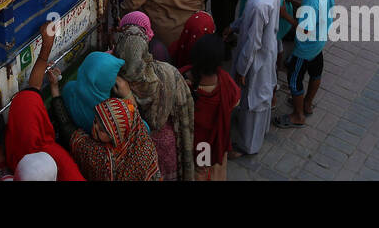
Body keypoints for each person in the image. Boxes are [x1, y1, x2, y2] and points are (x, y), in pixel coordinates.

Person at [0, 22, 85, 180]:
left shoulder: (16, 153)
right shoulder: (52, 158)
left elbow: (2, 172)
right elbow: (33, 89)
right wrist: (47, 46)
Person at [112, 23, 194, 180]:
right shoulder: (167, 72)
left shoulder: (117, 84)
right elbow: (186, 106)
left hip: (143, 152)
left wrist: (128, 96)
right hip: (169, 145)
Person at [229, 0, 289, 152]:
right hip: (265, 50)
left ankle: (249, 146)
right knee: (257, 97)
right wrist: (233, 27)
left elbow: (253, 42)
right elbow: (247, 21)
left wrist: (242, 70)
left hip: (257, 58)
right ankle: (253, 134)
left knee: (254, 101)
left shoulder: (260, 4)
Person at [50, 75, 160, 181]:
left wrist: (54, 88)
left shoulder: (101, 158)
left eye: (103, 130)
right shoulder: (141, 138)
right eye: (96, 119)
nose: (95, 127)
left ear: (115, 137)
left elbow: (67, 128)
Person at [278, 0, 338, 129]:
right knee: (316, 74)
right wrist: (293, 2)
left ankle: (298, 115)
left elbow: (304, 29)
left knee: (294, 80)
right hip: (318, 45)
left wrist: (285, 15)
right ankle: (307, 104)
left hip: (304, 49)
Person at [186, 34, 240, 180]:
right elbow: (235, 102)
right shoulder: (226, 82)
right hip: (215, 145)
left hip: (192, 145)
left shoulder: (182, 80)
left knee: (197, 174)